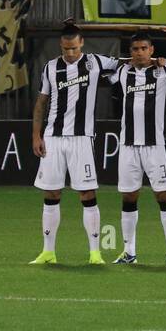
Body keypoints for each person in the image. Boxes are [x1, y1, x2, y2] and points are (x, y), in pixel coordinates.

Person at [28, 22, 121, 266]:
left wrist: (155, 62)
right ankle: (48, 252)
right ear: (61, 45)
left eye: (74, 48)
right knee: (52, 192)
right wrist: (36, 136)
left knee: (87, 193)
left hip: (82, 138)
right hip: (53, 138)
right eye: (66, 49)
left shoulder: (95, 62)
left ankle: (95, 253)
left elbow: (127, 62)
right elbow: (41, 103)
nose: (70, 53)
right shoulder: (50, 68)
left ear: (82, 43)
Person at [104, 33, 166, 264]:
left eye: (143, 48)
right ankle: (129, 251)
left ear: (152, 50)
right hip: (128, 145)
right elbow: (101, 78)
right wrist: (119, 61)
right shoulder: (123, 72)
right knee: (129, 196)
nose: (139, 52)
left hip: (154, 146)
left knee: (163, 195)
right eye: (135, 49)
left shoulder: (163, 71)